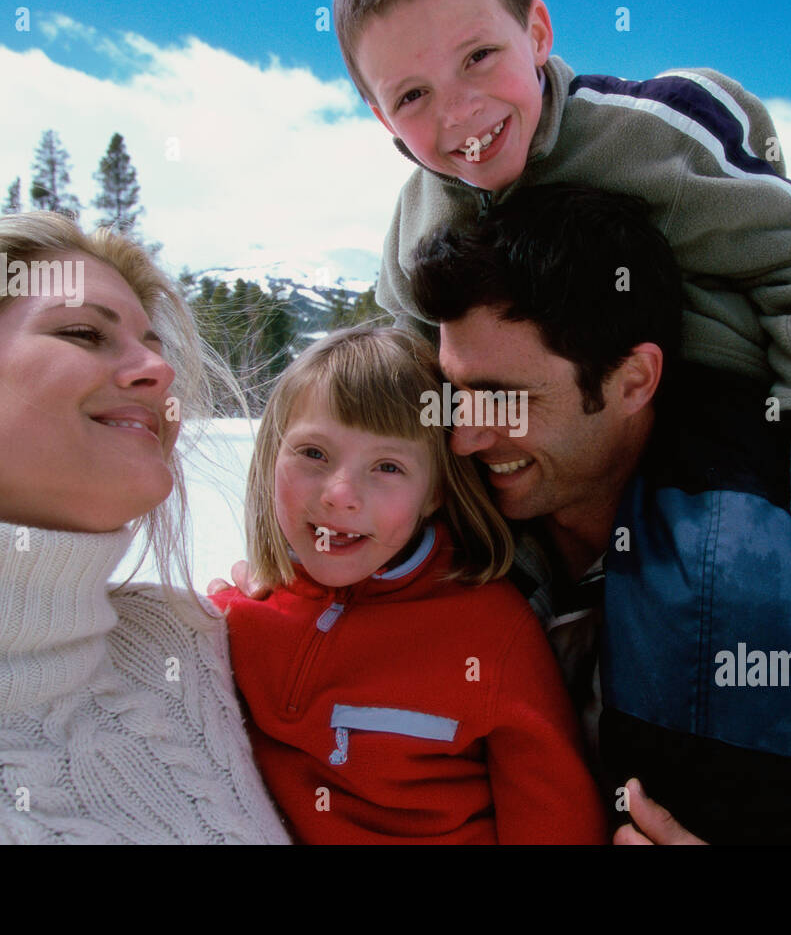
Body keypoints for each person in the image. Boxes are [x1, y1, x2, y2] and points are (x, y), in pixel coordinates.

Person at [409, 183, 791, 845]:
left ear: (634, 379)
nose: (463, 434)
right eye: (454, 391)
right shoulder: (434, 561)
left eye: (504, 398)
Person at [332, 0, 791, 599]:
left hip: (718, 420)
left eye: (478, 58)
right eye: (413, 94)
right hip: (539, 459)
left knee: (720, 592)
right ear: (382, 116)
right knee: (484, 574)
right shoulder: (418, 221)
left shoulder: (647, 141)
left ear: (536, 34)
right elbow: (408, 366)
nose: (459, 111)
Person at [0, 213, 289, 844]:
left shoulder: (188, 643)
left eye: (154, 345)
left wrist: (331, 607)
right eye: (82, 332)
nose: (159, 371)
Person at [208, 326, 607, 844]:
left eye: (388, 466)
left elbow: (556, 817)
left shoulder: (487, 634)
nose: (341, 494)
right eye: (313, 454)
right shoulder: (233, 616)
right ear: (270, 459)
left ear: (435, 493)